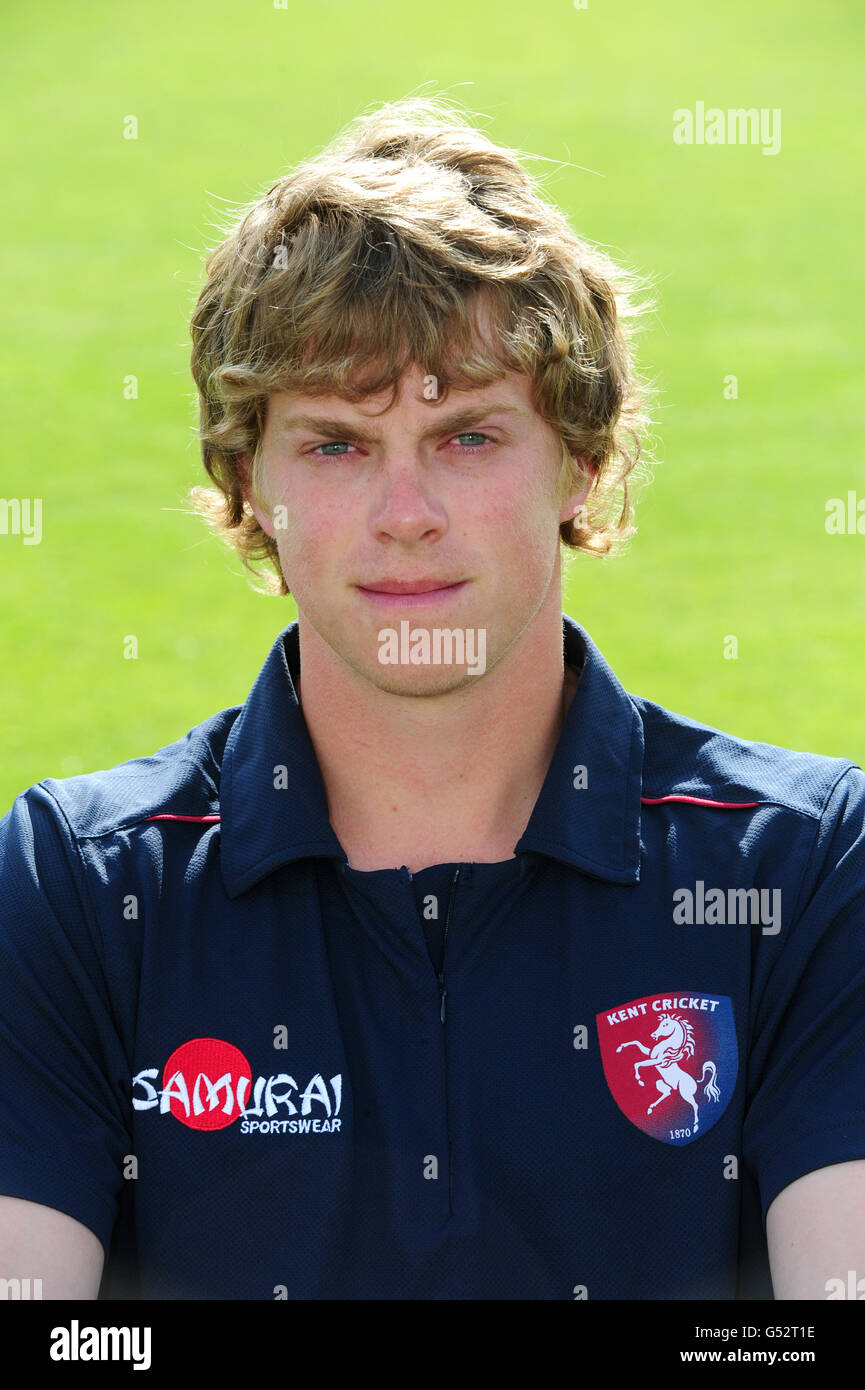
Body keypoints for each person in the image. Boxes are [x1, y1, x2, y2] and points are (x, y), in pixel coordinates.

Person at [2, 95, 864, 1302]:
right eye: (337, 445)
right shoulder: (78, 886)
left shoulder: (803, 865)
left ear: (581, 453)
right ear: (247, 477)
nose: (406, 513)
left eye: (466, 437)